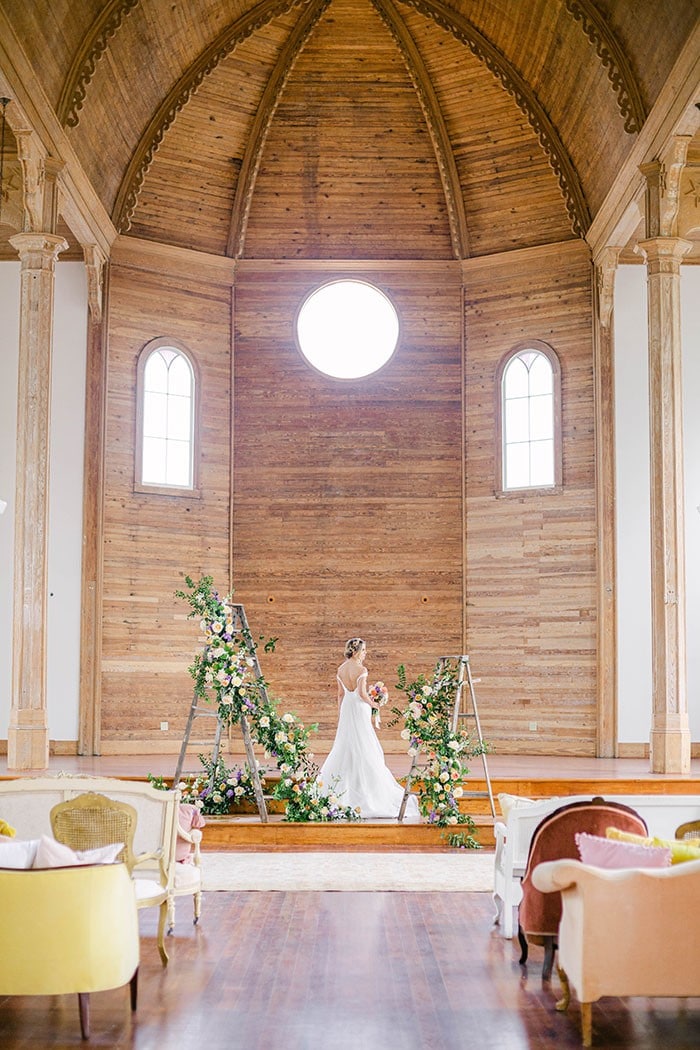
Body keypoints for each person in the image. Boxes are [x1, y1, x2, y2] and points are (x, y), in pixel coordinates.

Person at [319, 638, 419, 820]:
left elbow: (340, 694)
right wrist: (375, 704)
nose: (365, 653)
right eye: (364, 650)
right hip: (358, 707)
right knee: (363, 744)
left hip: (347, 708)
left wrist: (340, 714)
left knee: (346, 743)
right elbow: (363, 694)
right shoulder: (361, 670)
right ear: (356, 651)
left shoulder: (341, 669)